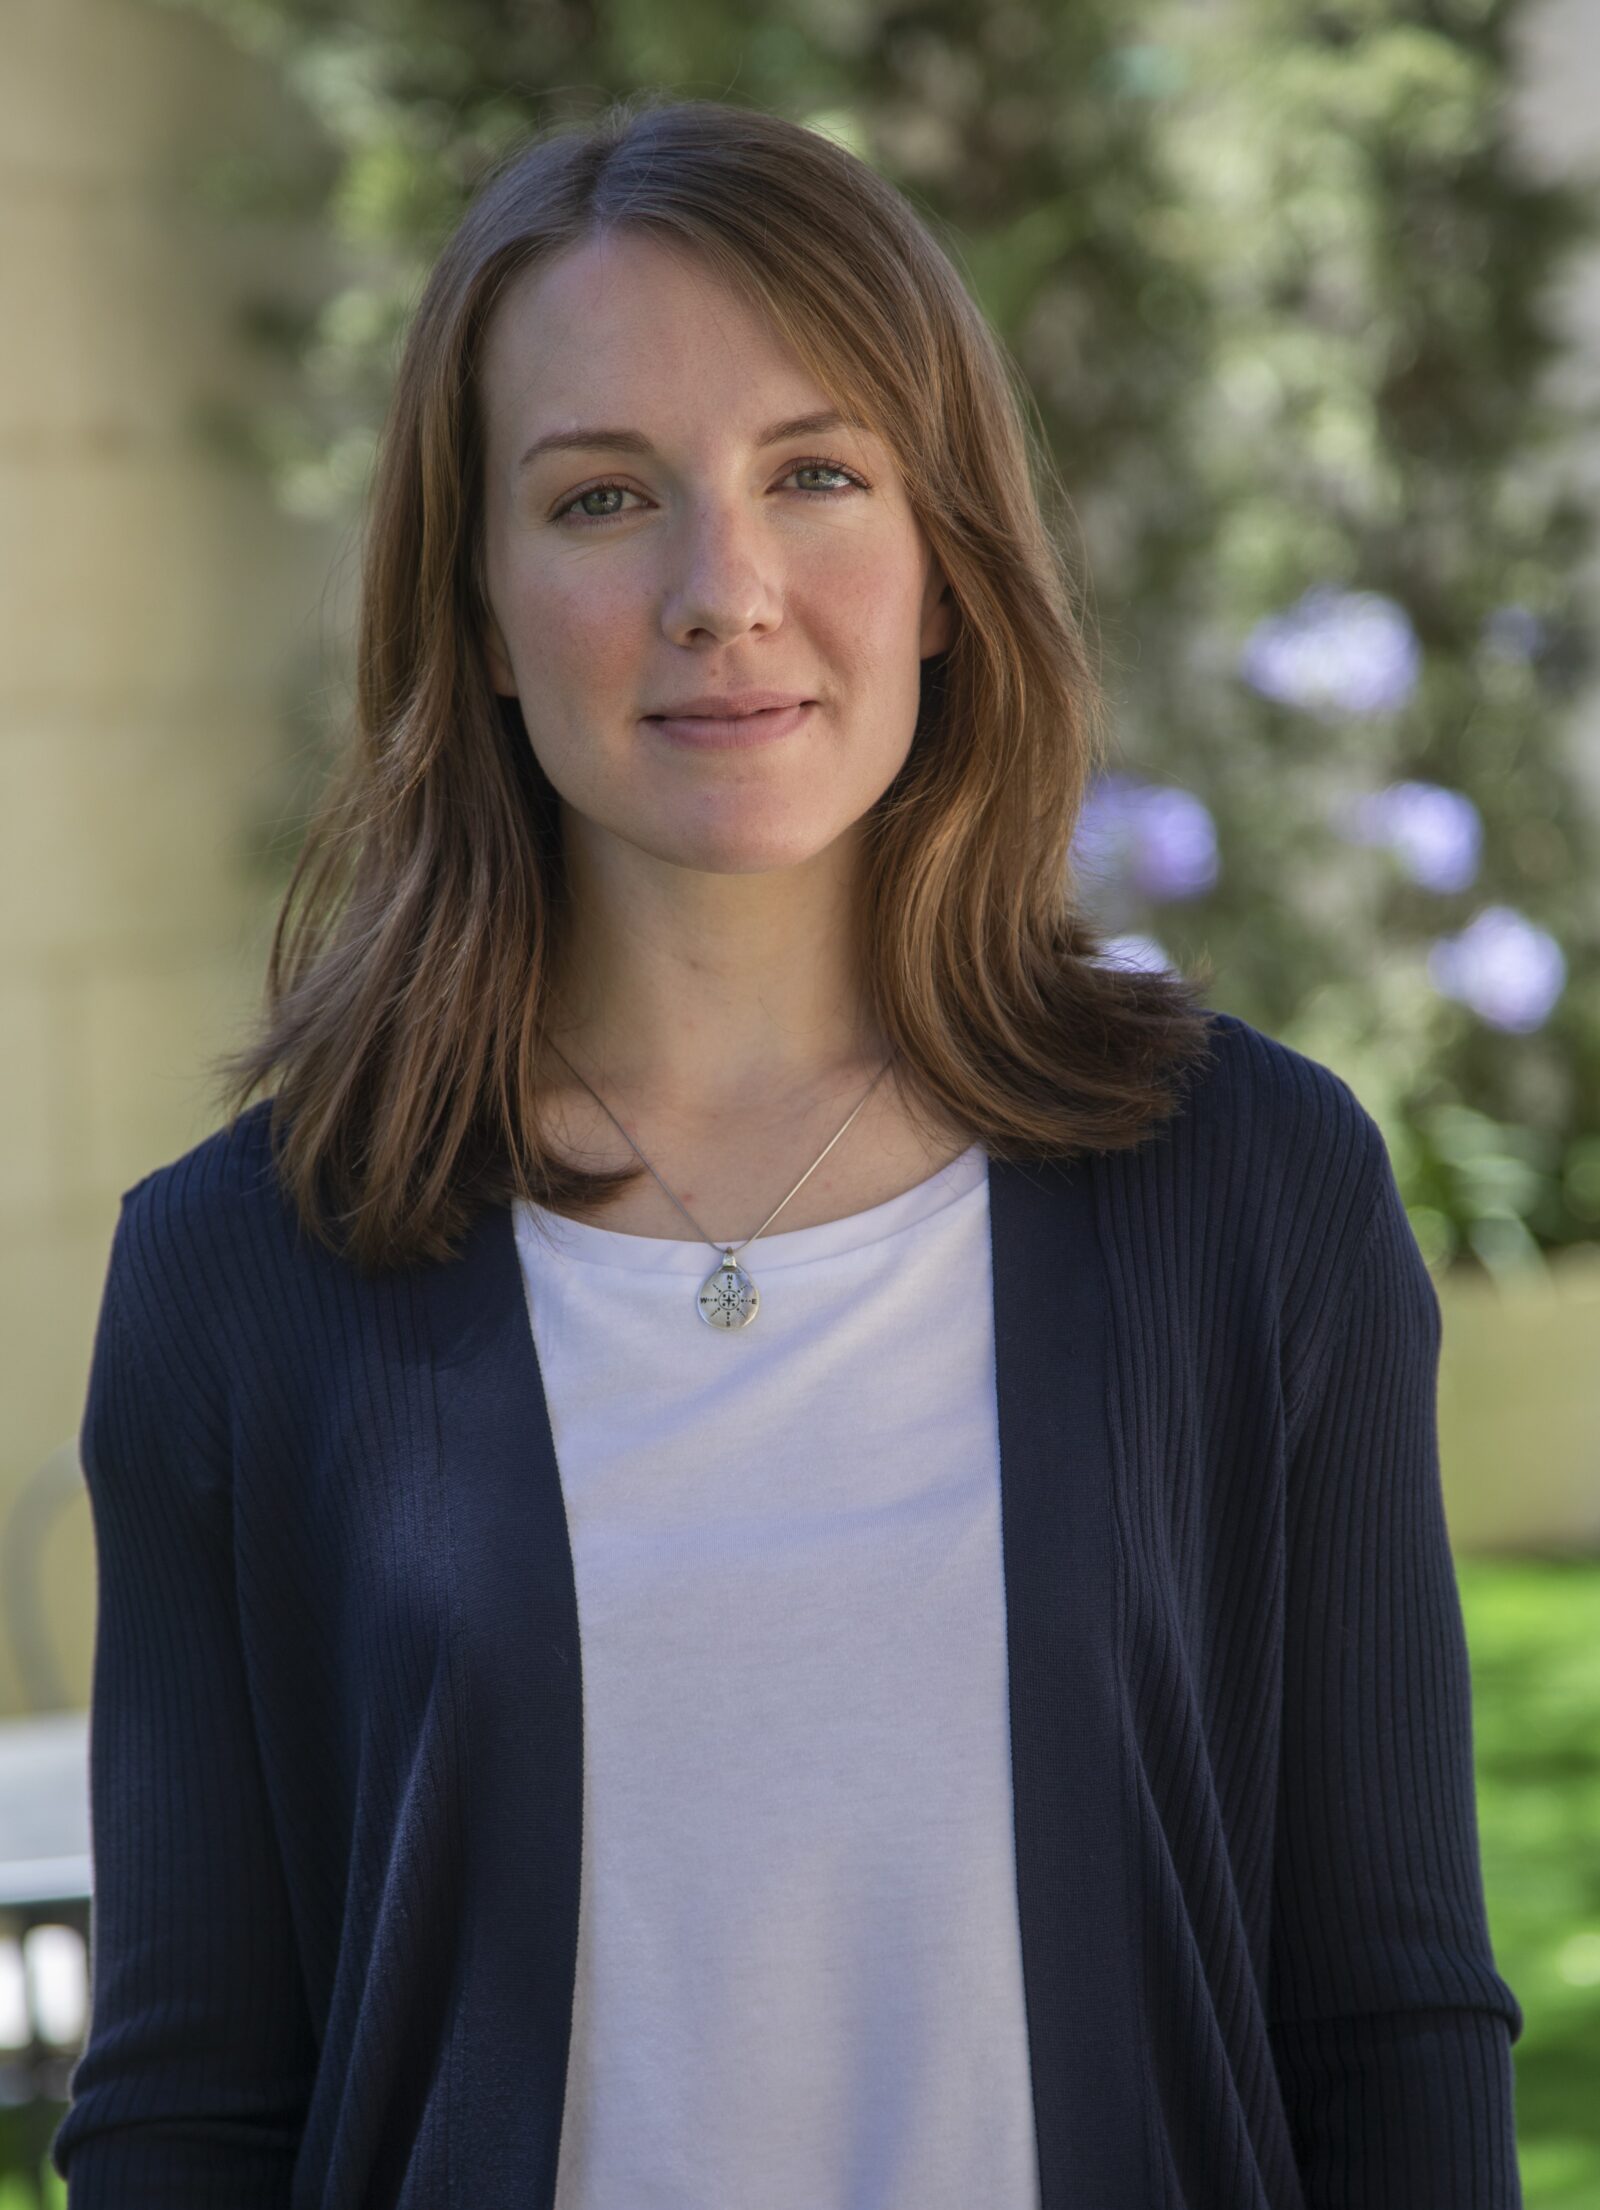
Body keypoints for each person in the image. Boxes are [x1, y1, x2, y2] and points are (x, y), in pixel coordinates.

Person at [51, 92, 1523, 2210]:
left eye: (813, 475)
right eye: (596, 500)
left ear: (940, 568)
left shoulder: (1250, 1197)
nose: (717, 591)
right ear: (470, 605)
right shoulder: (246, 1275)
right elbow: (191, 2103)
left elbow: (1385, 2022)